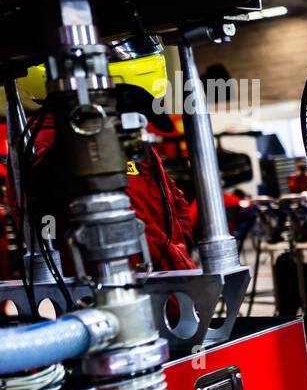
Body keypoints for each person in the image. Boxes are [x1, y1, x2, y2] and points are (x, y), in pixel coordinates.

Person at [14, 37, 194, 272]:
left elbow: (173, 197)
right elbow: (45, 201)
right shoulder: (45, 137)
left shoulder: (125, 126)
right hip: (105, 288)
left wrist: (177, 249)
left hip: (167, 280)